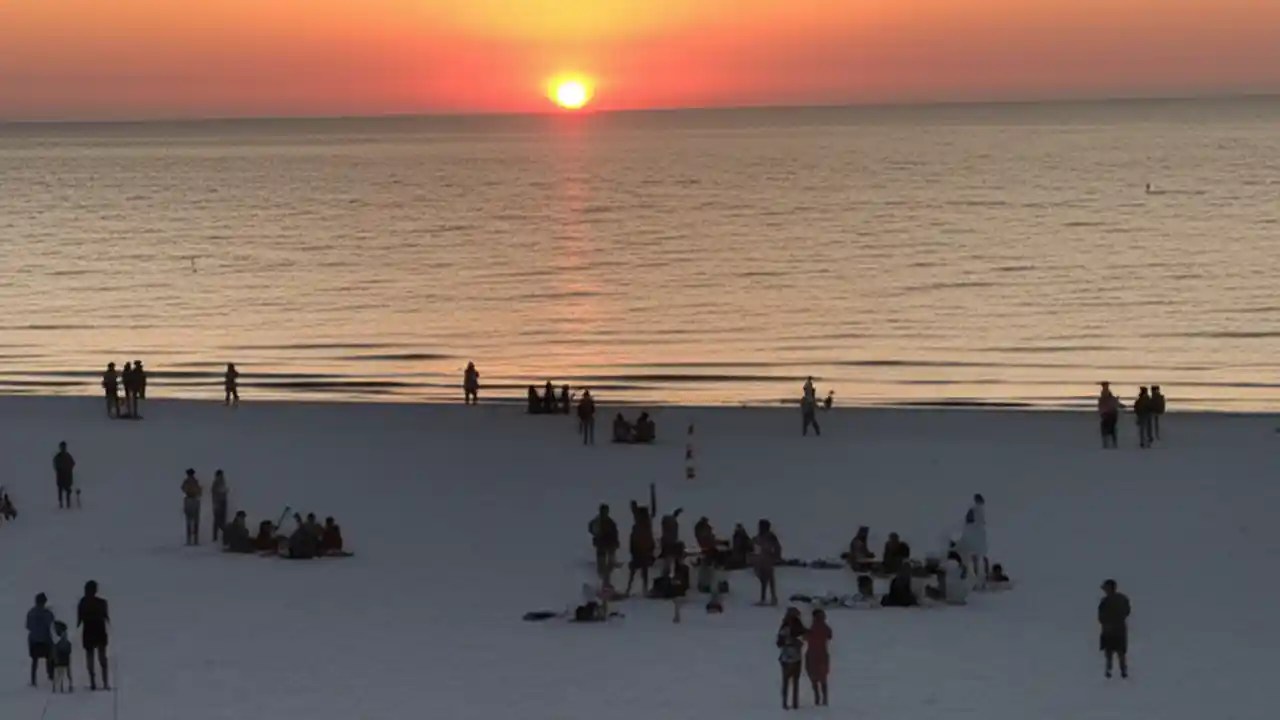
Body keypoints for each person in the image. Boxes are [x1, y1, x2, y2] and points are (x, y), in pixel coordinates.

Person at [77, 580, 109, 691]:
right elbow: (106, 617)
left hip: (88, 631)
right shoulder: (102, 603)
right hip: (100, 631)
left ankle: (92, 683)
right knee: (102, 658)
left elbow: (79, 620)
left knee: (90, 657)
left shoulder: (82, 602)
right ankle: (105, 682)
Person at [1099, 579, 1131, 679]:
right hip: (1119, 629)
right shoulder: (1123, 599)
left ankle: (1109, 671)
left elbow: (1101, 617)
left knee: (1110, 652)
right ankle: (1123, 671)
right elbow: (1127, 611)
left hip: (1109, 630)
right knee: (1120, 652)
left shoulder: (1105, 601)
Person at [776, 607, 806, 710]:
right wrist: (792, 641)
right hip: (789, 656)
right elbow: (779, 643)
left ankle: (792, 703)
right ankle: (788, 703)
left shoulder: (792, 626)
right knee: (789, 681)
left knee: (791, 681)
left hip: (793, 656)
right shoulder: (787, 627)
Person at [626, 502, 655, 596]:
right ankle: (636, 589)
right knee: (639, 572)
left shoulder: (642, 525)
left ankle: (631, 589)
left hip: (642, 552)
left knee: (637, 572)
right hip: (640, 552)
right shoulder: (643, 525)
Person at [805, 609, 832, 707]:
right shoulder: (825, 628)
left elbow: (805, 637)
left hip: (812, 655)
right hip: (822, 655)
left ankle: (817, 696)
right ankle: (824, 698)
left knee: (813, 677)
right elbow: (829, 636)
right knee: (823, 678)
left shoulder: (811, 628)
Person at [27, 592, 55, 687]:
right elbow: (52, 627)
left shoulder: (30, 613)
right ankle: (51, 674)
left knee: (34, 661)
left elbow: (28, 627)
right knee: (51, 654)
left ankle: (33, 679)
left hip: (34, 644)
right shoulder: (48, 614)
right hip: (46, 644)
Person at [588, 504, 619, 586]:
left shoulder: (610, 523)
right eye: (603, 511)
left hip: (609, 546)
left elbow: (615, 534)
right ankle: (604, 584)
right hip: (601, 546)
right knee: (602, 568)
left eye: (606, 511)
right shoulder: (597, 521)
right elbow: (591, 529)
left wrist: (615, 543)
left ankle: (606, 584)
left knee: (609, 566)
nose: (604, 513)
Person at [754, 519, 783, 606]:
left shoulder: (771, 537)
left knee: (769, 579)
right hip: (760, 560)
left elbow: (777, 547)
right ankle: (764, 598)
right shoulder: (759, 536)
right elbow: (755, 546)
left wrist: (776, 556)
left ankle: (773, 597)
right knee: (763, 580)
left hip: (768, 560)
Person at [962, 494, 988, 584]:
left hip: (978, 537)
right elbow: (969, 523)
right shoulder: (974, 510)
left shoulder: (979, 510)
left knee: (978, 558)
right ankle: (976, 578)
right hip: (975, 537)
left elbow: (971, 523)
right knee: (975, 558)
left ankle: (980, 578)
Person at [659, 508, 684, 576]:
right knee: (667, 563)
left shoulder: (670, 522)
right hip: (668, 544)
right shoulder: (669, 521)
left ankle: (676, 573)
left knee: (671, 562)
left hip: (671, 543)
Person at [181, 469, 203, 546]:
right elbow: (200, 492)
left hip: (188, 500)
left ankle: (189, 540)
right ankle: (196, 539)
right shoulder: (196, 482)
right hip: (195, 500)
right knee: (196, 521)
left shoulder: (186, 482)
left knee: (188, 521)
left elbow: (183, 489)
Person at [1098, 381, 1121, 449]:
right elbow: (1114, 403)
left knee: (1107, 429)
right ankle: (1112, 443)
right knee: (1111, 429)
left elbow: (1102, 405)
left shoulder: (1104, 397)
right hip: (1110, 414)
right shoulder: (1107, 396)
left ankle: (1108, 443)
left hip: (1107, 414)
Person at [51, 621, 73, 693]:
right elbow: (69, 650)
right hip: (66, 661)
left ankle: (56, 686)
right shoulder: (67, 642)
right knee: (67, 672)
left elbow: (54, 651)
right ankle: (69, 685)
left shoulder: (56, 642)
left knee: (58, 673)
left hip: (58, 661)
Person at [53, 441, 76, 510]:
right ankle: (61, 505)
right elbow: (56, 465)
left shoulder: (68, 456)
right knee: (60, 490)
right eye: (62, 447)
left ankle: (67, 505)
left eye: (64, 447)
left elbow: (73, 463)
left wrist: (68, 469)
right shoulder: (58, 456)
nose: (63, 448)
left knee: (68, 491)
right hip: (61, 476)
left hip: (67, 476)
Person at [210, 469, 229, 543]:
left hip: (221, 503)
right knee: (218, 521)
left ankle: (221, 537)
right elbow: (215, 493)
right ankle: (216, 537)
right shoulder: (216, 483)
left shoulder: (222, 483)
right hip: (218, 504)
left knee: (221, 521)